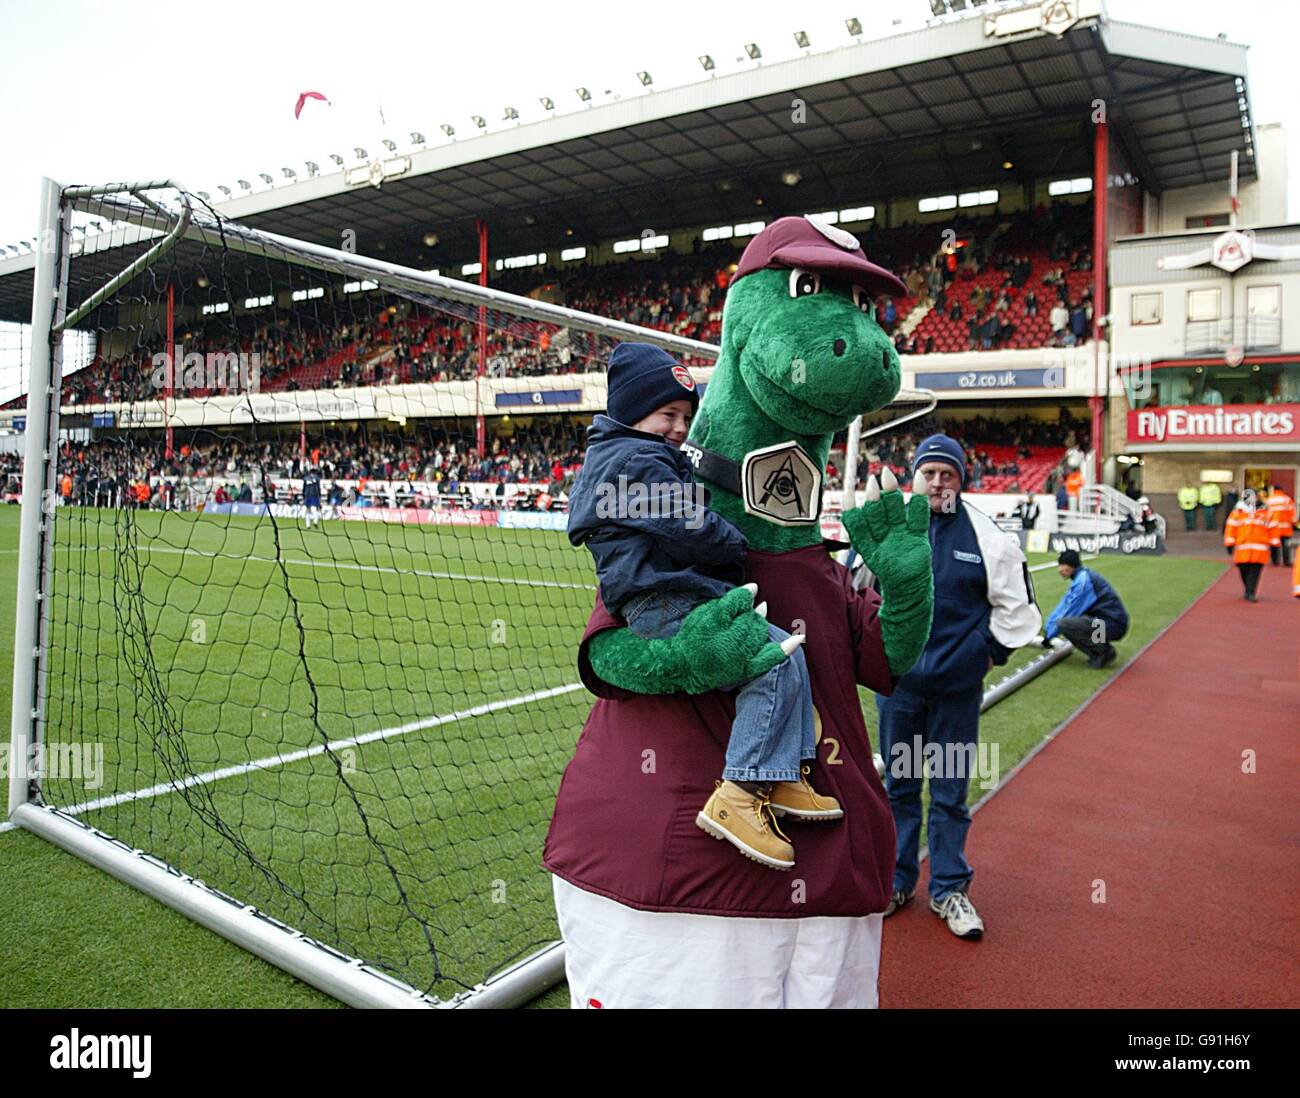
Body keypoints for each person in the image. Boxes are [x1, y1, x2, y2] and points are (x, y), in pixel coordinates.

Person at [566, 342, 828, 872]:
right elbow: (686, 525)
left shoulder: (637, 455)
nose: (680, 427)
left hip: (679, 592)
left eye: (686, 416)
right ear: (630, 410)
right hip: (662, 600)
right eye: (669, 414)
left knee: (789, 653)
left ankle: (785, 774)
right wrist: (735, 542)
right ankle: (739, 792)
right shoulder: (633, 460)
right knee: (772, 663)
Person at [876, 434, 1041, 939]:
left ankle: (948, 889)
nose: (938, 481)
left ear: (961, 480)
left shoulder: (987, 536)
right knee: (900, 787)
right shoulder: (893, 529)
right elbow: (858, 591)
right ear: (915, 477)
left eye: (948, 473)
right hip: (899, 692)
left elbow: (1020, 610)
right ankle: (899, 880)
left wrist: (985, 655)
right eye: (930, 472)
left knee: (947, 794)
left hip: (953, 694)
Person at [1042, 550, 1128, 667]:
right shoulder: (1082, 577)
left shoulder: (1083, 582)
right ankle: (1102, 648)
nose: (1059, 569)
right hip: (1109, 622)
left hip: (1113, 625)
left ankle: (1103, 652)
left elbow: (1069, 610)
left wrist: (1050, 635)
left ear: (1071, 566)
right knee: (1069, 622)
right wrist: (1048, 628)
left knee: (1065, 624)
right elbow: (1064, 604)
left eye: (1062, 565)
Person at [1223, 489, 1273, 602]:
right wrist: (1229, 544)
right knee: (1243, 570)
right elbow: (1231, 528)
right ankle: (1248, 589)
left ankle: (1251, 592)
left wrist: (1273, 543)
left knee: (1255, 572)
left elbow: (1272, 528)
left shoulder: (1265, 513)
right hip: (1243, 549)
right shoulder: (1237, 513)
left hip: (1260, 549)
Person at [1264, 483, 1295, 566]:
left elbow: (1265, 514)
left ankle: (1275, 561)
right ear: (1281, 490)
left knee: (1274, 544)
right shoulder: (1287, 499)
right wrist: (1293, 523)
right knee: (1285, 545)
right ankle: (1286, 561)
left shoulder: (1269, 500)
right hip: (1286, 527)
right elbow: (1292, 513)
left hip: (1274, 526)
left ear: (1274, 490)